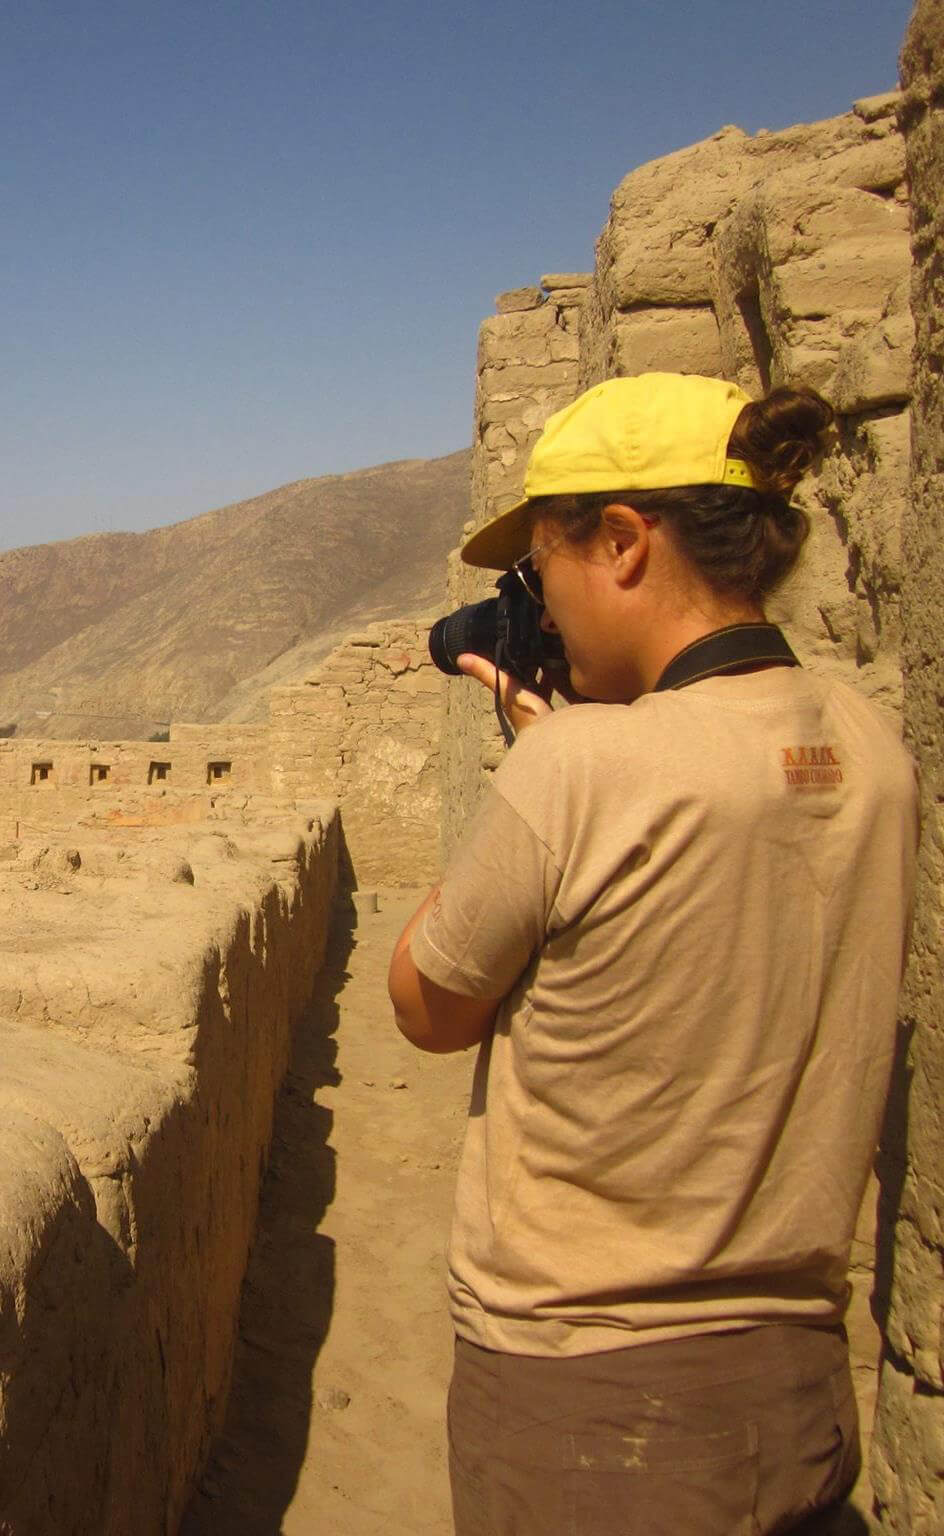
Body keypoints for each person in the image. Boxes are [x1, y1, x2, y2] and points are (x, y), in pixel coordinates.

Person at [387, 373, 918, 1535]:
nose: (540, 608)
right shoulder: (875, 747)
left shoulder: (580, 771)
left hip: (586, 1396)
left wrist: (531, 779)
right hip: (798, 1384)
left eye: (539, 570)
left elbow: (427, 1005)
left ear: (623, 543)